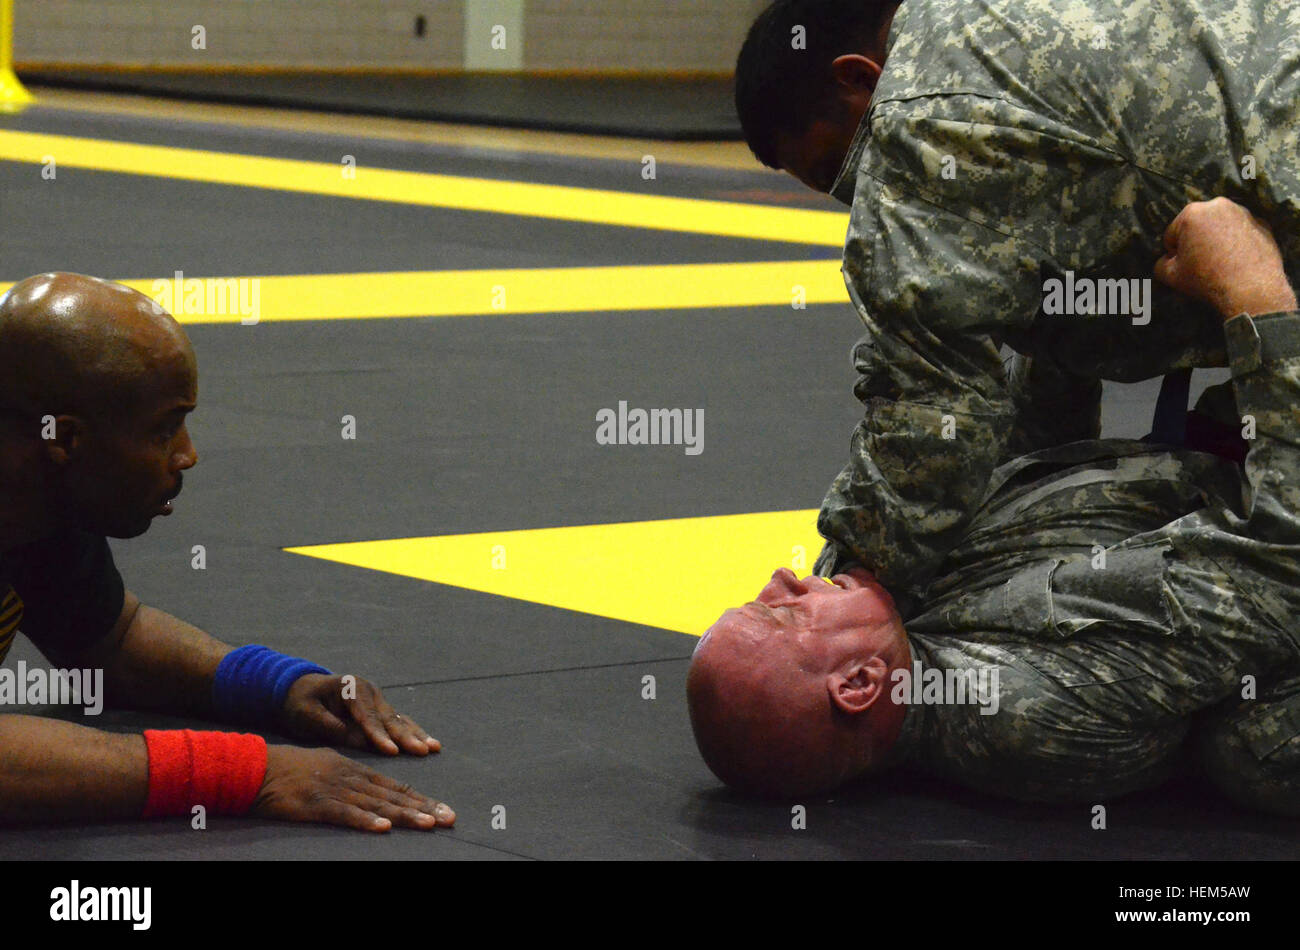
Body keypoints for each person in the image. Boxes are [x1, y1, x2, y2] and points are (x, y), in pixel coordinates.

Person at [688, 198, 1300, 816]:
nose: (785, 579)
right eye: (783, 616)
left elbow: (1021, 446)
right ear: (858, 685)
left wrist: (1059, 295)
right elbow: (1280, 570)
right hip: (1281, 511)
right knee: (1257, 748)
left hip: (1243, 459)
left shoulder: (881, 584)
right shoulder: (1022, 706)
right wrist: (1254, 296)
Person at [735, 0, 1300, 611]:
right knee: (1220, 449)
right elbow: (1062, 290)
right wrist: (1034, 484)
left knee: (1251, 551)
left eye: (837, 169)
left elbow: (929, 418)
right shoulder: (989, 29)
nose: (858, 198)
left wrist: (849, 577)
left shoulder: (910, 126)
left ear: (861, 78)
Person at [0, 272, 454, 832]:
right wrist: (245, 772)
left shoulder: (34, 496)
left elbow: (111, 641)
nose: (188, 455)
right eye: (165, 429)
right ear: (66, 439)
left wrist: (279, 688)